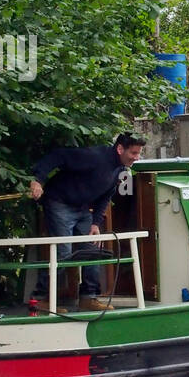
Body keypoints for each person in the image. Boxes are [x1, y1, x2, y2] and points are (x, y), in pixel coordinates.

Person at [29, 132, 145, 310]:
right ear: (120, 149)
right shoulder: (95, 157)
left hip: (82, 208)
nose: (136, 158)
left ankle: (88, 298)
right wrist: (38, 181)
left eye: (138, 153)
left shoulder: (121, 171)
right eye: (134, 153)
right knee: (62, 252)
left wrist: (95, 223)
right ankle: (40, 300)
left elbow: (106, 196)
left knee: (92, 249)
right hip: (59, 201)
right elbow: (59, 156)